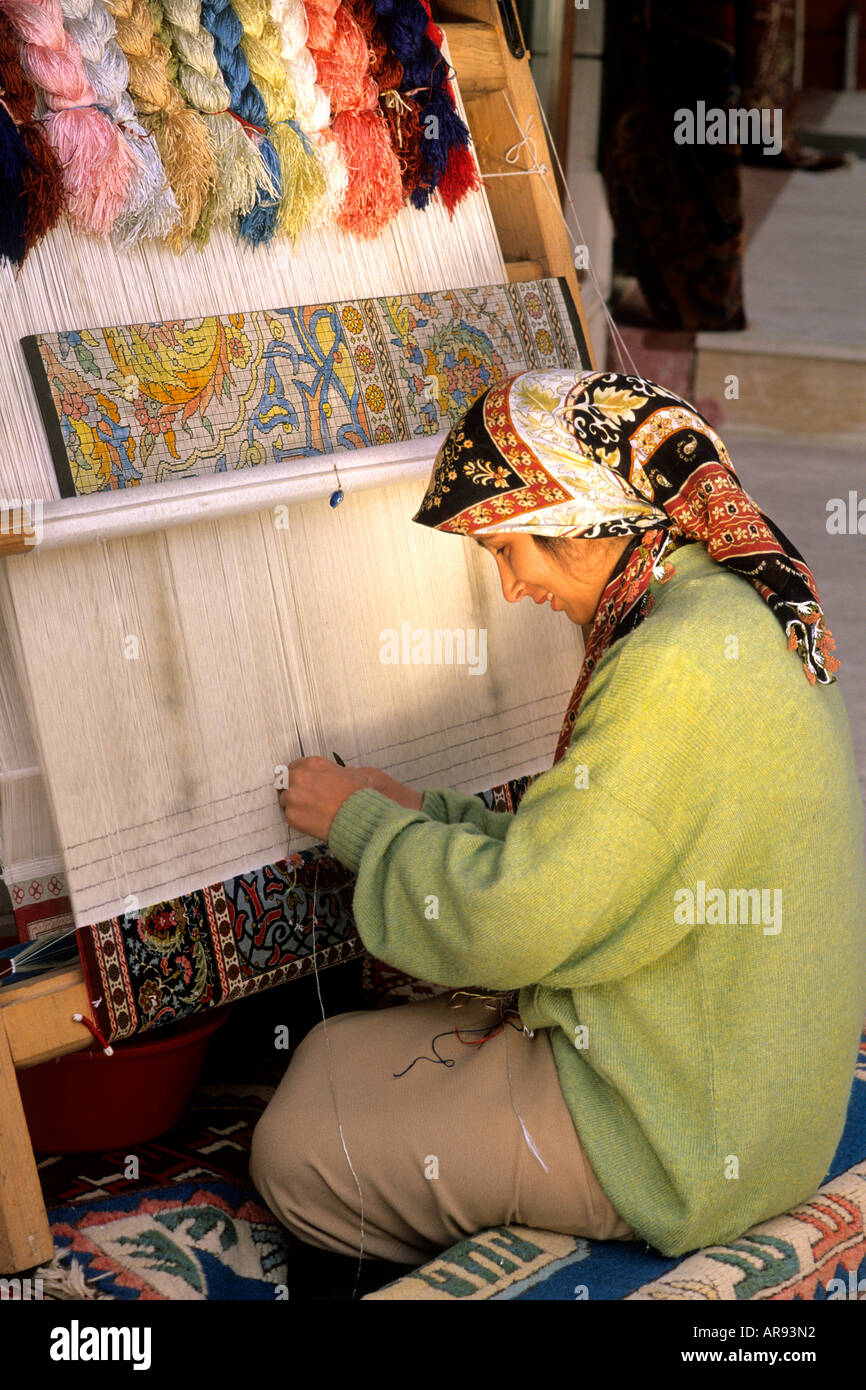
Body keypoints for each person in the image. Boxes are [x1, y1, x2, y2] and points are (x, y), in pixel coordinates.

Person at [250, 369, 866, 1300]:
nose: (509, 586)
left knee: (300, 1150)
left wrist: (362, 826)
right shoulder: (738, 602)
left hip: (679, 1138)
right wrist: (421, 813)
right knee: (331, 1055)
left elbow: (519, 922)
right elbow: (606, 851)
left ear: (582, 522)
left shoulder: (671, 667)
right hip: (757, 1093)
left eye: (508, 551)